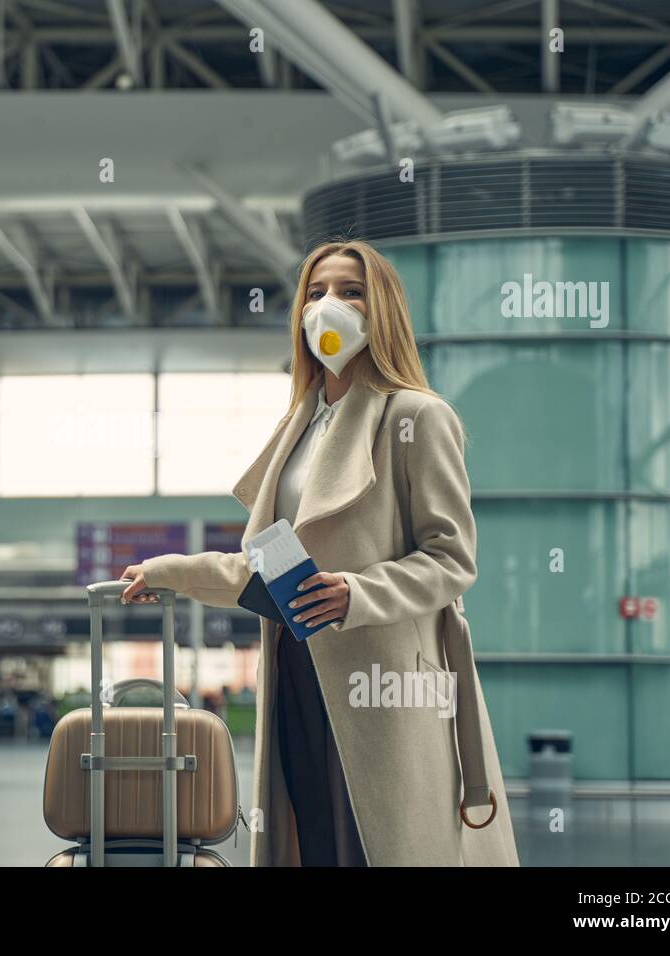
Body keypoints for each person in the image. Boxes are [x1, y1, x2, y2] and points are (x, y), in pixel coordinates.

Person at [119, 239, 519, 867]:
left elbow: (451, 558)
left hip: (381, 678)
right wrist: (170, 570)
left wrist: (357, 594)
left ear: (381, 309)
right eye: (316, 292)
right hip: (298, 666)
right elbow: (268, 565)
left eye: (350, 292)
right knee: (315, 839)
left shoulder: (414, 416)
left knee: (380, 842)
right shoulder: (299, 427)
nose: (328, 305)